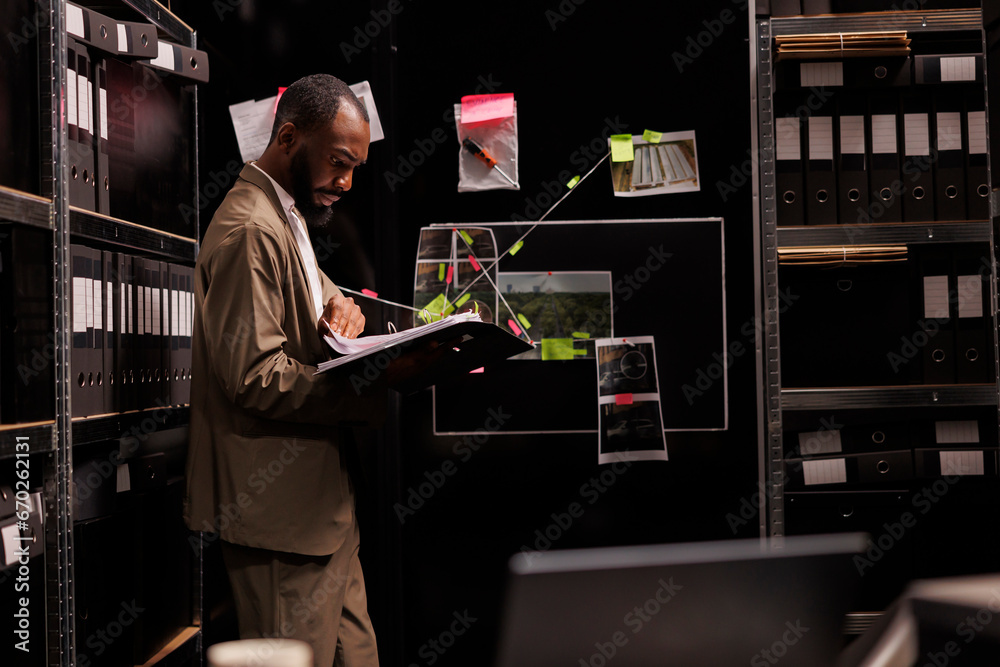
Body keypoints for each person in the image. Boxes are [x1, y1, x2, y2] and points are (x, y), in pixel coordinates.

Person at [184, 73, 385, 667]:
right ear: (290, 137)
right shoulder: (249, 229)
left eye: (355, 168)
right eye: (338, 163)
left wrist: (344, 308)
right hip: (281, 523)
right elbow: (253, 375)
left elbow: (326, 299)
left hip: (322, 515)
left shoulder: (288, 214)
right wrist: (373, 386)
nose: (346, 183)